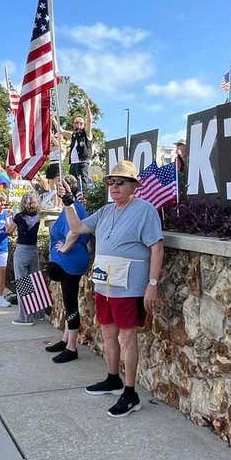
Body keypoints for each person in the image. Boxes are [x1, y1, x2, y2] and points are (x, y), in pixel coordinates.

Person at [59, 160, 163, 418]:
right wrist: (69, 203)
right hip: (104, 284)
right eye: (111, 183)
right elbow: (78, 228)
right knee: (108, 334)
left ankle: (130, 392)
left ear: (133, 187)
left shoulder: (145, 210)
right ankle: (113, 378)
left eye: (120, 182)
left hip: (129, 285)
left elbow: (157, 247)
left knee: (127, 338)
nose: (114, 187)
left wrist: (152, 284)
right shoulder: (106, 211)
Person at [46, 175, 92, 363]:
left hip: (71, 262)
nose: (57, 189)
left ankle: (72, 347)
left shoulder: (74, 208)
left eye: (60, 186)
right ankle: (66, 340)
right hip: (68, 262)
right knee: (68, 302)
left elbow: (74, 231)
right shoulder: (70, 208)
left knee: (70, 303)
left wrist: (64, 247)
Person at [9, 191, 44, 325]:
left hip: (22, 250)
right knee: (36, 282)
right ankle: (38, 313)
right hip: (33, 250)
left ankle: (25, 318)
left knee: (23, 285)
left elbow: (9, 231)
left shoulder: (19, 217)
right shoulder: (38, 216)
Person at [63, 107, 93, 192]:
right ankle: (74, 200)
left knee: (83, 182)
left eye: (81, 123)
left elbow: (90, 121)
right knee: (72, 182)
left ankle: (85, 199)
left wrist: (87, 108)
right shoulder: (73, 135)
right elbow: (61, 130)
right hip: (73, 163)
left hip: (82, 161)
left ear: (84, 124)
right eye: (76, 123)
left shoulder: (86, 134)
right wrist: (53, 119)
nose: (78, 124)